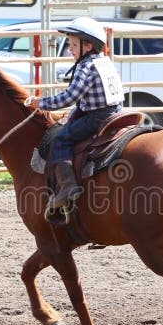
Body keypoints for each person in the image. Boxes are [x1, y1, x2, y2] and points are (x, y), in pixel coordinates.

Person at [25, 17, 124, 210]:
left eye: (73, 44)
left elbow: (69, 97)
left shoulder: (85, 66)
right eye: (70, 44)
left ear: (88, 45)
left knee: (61, 139)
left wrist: (40, 103)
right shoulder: (104, 62)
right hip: (116, 111)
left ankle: (68, 186)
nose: (70, 49)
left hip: (97, 117)